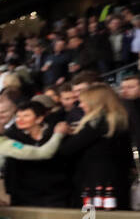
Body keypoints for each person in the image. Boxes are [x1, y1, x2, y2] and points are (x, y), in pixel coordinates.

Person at [56, 77, 134, 209]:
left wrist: (60, 134)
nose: (80, 105)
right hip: (116, 181)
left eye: (83, 102)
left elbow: (67, 150)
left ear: (95, 102)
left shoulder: (96, 124)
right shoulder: (120, 120)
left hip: (95, 185)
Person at [3, 100, 75, 207]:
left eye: (26, 116)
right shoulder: (10, 137)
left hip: (56, 192)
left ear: (39, 119)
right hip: (24, 194)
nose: (20, 120)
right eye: (18, 116)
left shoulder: (55, 131)